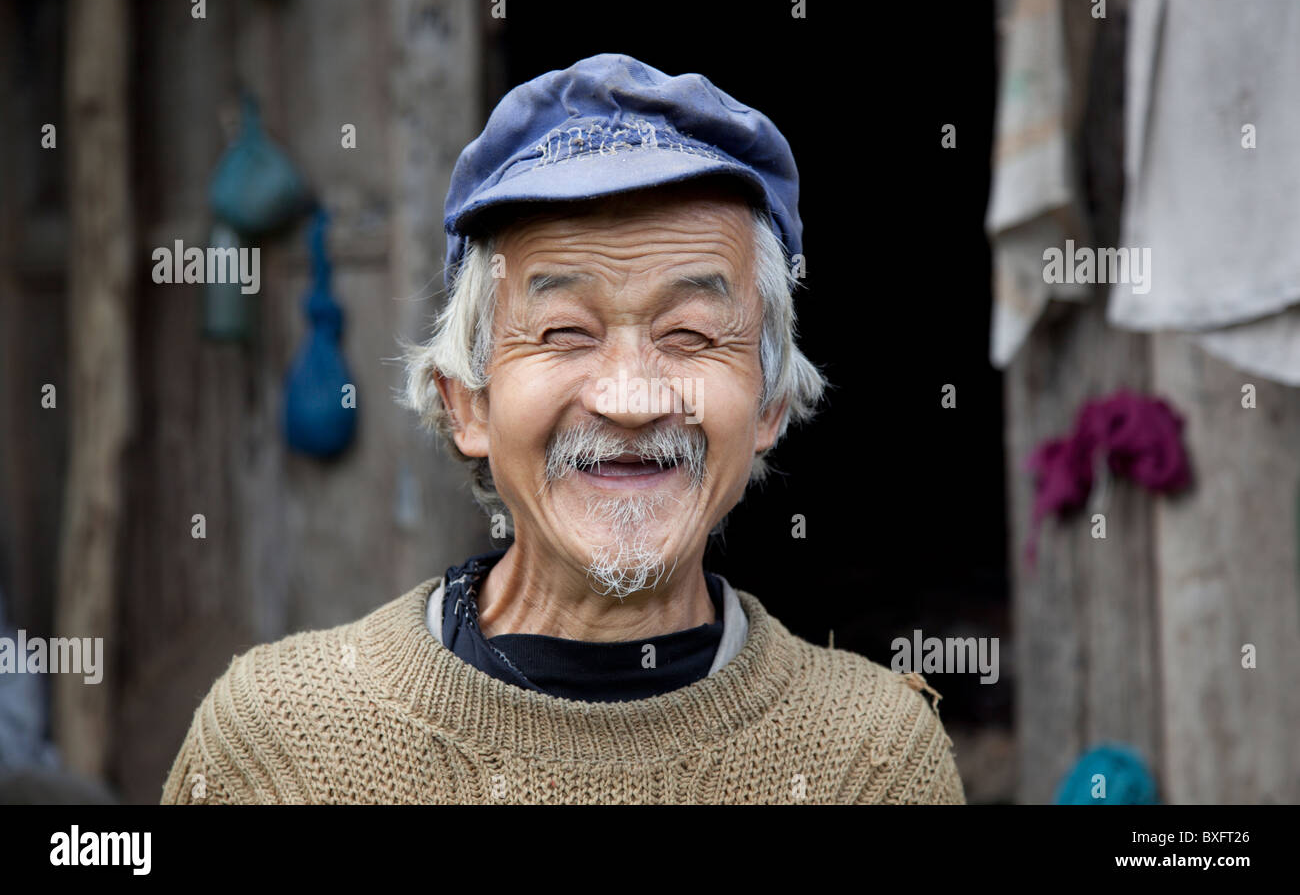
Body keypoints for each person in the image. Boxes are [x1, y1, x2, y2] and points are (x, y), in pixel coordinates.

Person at [161, 53, 965, 804]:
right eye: (563, 333)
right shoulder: (280, 748)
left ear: (768, 408)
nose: (629, 398)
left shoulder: (871, 762)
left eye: (689, 333)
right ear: (466, 402)